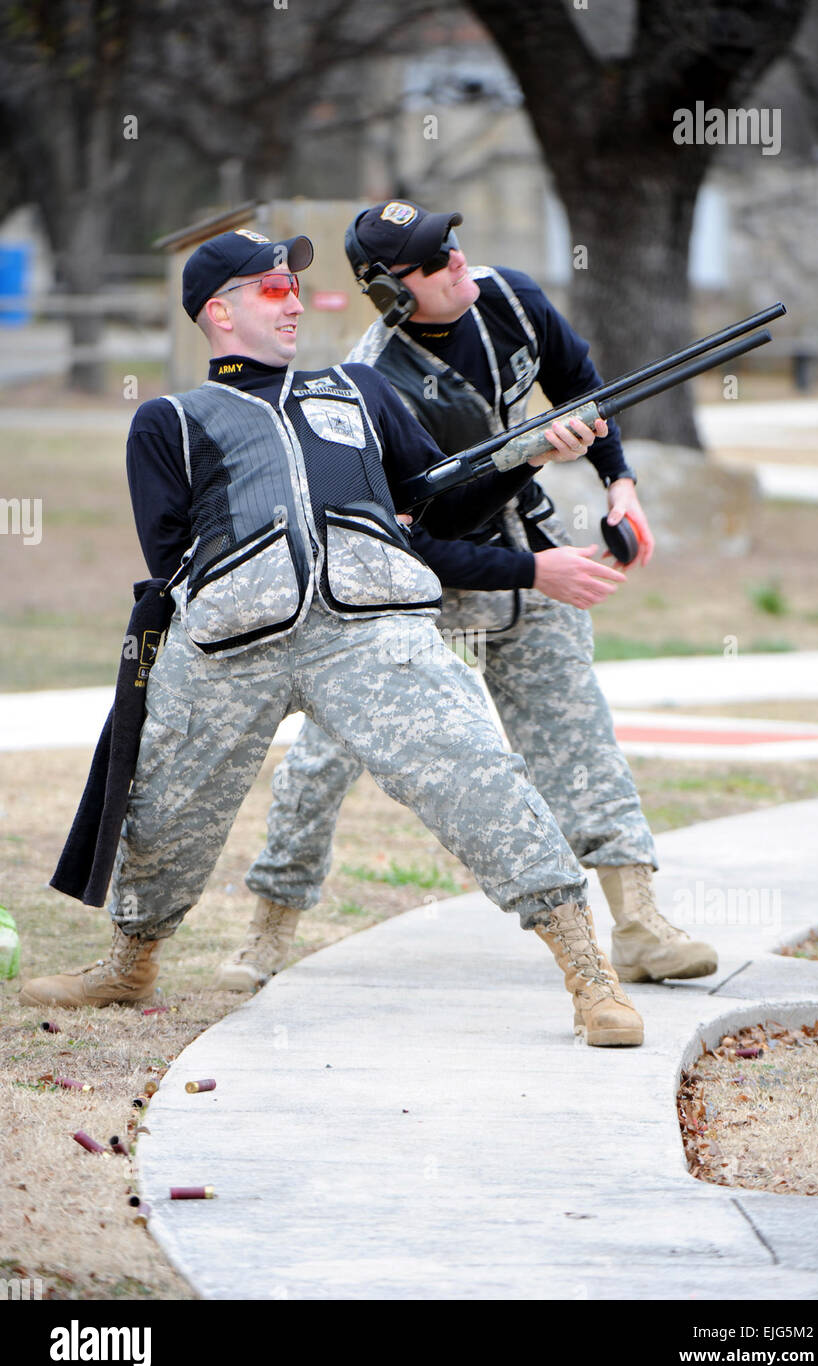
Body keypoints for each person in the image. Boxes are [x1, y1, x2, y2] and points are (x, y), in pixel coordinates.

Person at [20, 225, 645, 1047]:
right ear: (219, 311)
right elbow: (171, 556)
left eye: (294, 288)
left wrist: (529, 454)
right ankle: (129, 962)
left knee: (478, 773)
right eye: (272, 289)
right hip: (230, 646)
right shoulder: (169, 421)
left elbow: (438, 507)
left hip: (370, 637)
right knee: (163, 807)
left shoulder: (358, 390)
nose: (293, 303)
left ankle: (589, 974)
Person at [221, 201, 717, 995]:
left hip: (528, 561)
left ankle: (639, 925)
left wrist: (618, 482)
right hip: (411, 595)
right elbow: (411, 537)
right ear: (393, 292)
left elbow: (582, 386)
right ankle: (269, 930)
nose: (458, 260)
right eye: (434, 258)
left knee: (579, 734)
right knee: (321, 760)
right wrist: (533, 549)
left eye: (452, 242)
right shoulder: (369, 384)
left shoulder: (510, 298)